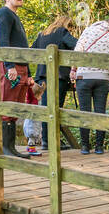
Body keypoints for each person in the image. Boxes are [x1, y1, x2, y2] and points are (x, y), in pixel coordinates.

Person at [0, 0, 35, 158]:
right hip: (12, 67)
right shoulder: (4, 14)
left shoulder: (14, 16)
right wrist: (9, 66)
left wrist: (29, 74)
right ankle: (5, 148)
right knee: (8, 105)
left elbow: (22, 46)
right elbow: (3, 41)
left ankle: (10, 148)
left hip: (21, 66)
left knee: (16, 106)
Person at [71, 18, 109, 154]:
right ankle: (99, 146)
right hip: (102, 77)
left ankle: (85, 146)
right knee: (100, 112)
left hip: (84, 76)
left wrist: (73, 69)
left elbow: (77, 51)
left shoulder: (89, 30)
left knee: (84, 112)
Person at [31, 13, 78, 149]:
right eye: (70, 27)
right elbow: (76, 45)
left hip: (42, 76)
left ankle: (47, 140)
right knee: (56, 109)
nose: (70, 30)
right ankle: (52, 141)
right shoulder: (62, 32)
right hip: (58, 76)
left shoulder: (42, 34)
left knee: (47, 108)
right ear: (66, 24)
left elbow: (32, 51)